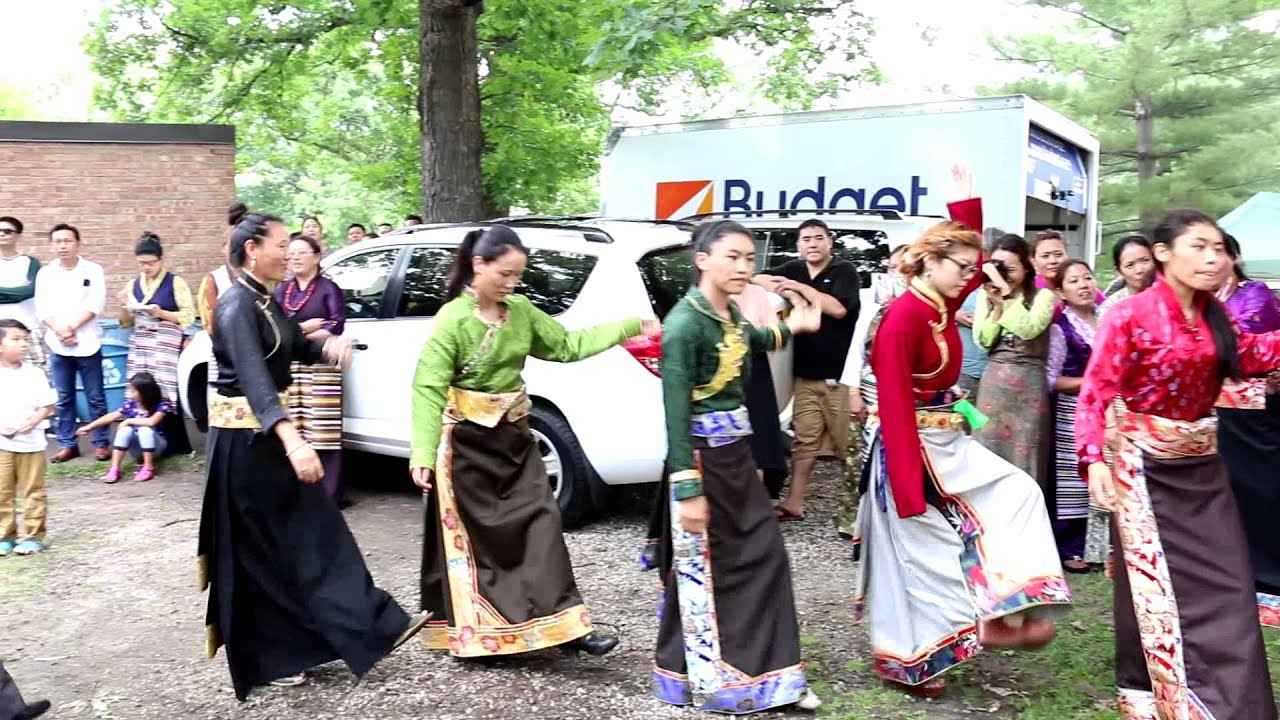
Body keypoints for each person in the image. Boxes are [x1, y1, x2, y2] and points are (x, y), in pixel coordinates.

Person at [197, 205, 428, 701]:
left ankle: (374, 625)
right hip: (246, 446)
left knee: (317, 533)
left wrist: (328, 348)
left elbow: (288, 346)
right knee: (261, 552)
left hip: (269, 439)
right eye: (281, 245)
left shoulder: (265, 299)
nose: (289, 253)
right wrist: (295, 440)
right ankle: (278, 656)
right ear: (252, 250)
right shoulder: (236, 306)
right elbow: (257, 384)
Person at [854, 207, 1070, 699]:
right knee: (922, 555)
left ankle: (1006, 604)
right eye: (962, 268)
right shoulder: (905, 318)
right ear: (930, 261)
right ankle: (916, 660)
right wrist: (908, 490)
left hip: (946, 440)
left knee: (1019, 493)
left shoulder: (940, 302)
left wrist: (965, 210)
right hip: (912, 448)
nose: (971, 278)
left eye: (975, 270)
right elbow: (892, 406)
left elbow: (971, 262)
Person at [410, 225, 651, 659]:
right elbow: (428, 388)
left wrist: (629, 326)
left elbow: (566, 345)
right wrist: (422, 453)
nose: (511, 284)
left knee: (543, 525)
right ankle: (488, 636)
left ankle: (568, 628)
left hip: (516, 443)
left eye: (517, 276)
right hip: (467, 449)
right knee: (482, 547)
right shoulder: (452, 320)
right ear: (478, 266)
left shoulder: (520, 311)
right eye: (504, 274)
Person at [1076, 209, 1280, 718]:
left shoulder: (1215, 312)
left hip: (1204, 468)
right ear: (1163, 253)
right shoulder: (1127, 315)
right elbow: (1094, 393)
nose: (1213, 258)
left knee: (1232, 588)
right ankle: (1158, 696)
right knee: (1151, 585)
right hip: (1145, 468)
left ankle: (1230, 704)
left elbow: (1249, 355)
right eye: (1199, 247)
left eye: (1218, 249)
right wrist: (1094, 460)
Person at [651, 220, 822, 713]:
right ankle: (707, 678)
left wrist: (797, 326)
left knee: (762, 559)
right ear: (702, 259)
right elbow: (675, 411)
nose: (744, 267)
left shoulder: (725, 315)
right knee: (706, 572)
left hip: (737, 458)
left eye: (750, 258)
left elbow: (758, 338)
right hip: (703, 465)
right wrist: (687, 491)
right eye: (732, 256)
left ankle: (770, 677)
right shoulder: (685, 325)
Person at [752, 219, 860, 522]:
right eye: (806, 239)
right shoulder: (793, 268)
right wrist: (789, 290)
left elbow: (839, 308)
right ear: (799, 245)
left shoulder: (844, 271)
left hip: (840, 377)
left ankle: (857, 514)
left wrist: (799, 289)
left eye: (818, 238)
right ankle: (794, 502)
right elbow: (759, 278)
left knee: (848, 446)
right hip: (805, 375)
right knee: (805, 441)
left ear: (830, 241)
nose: (812, 244)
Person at [1212, 233, 1280, 625]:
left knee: (1261, 495)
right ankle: (1233, 578)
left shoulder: (1255, 295)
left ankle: (1267, 582)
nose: (1211, 260)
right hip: (1218, 413)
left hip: (1256, 413)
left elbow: (1241, 348)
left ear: (1235, 258)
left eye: (1219, 252)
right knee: (1226, 492)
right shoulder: (1200, 300)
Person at [972, 234, 1056, 490]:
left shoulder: (1043, 296)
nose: (1002, 275)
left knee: (1026, 453)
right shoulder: (984, 297)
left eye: (1008, 269)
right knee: (986, 448)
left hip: (1029, 387)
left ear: (1026, 267)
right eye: (997, 268)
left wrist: (1006, 295)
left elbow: (1029, 329)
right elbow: (983, 340)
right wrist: (996, 307)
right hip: (993, 384)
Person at [274, 234, 348, 506]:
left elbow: (337, 324)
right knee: (297, 423)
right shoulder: (283, 290)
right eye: (291, 252)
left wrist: (314, 333)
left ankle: (330, 492)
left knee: (324, 427)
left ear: (317, 256)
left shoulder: (328, 288)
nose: (294, 257)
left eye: (302, 252)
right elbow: (280, 326)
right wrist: (305, 329)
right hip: (292, 365)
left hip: (322, 366)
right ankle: (300, 486)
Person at [1045, 260, 1102, 573]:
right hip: (1072, 410)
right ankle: (1068, 546)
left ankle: (1100, 545)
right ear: (1061, 292)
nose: (1084, 285)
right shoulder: (1060, 328)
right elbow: (1051, 379)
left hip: (1108, 409)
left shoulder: (1107, 319)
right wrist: (1093, 381)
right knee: (1073, 480)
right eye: (1074, 281)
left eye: (1088, 278)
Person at [35, 224, 109, 463]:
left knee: (95, 395)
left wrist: (71, 328)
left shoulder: (93, 270)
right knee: (63, 396)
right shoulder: (46, 273)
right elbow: (42, 308)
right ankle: (68, 444)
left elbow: (95, 305)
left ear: (78, 243)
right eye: (57, 241)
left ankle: (101, 442)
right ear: (51, 245)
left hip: (87, 341)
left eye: (67, 241)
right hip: (57, 344)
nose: (62, 246)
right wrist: (61, 331)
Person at [117, 232, 193, 457]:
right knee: (143, 386)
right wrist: (123, 306)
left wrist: (161, 313)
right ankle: (143, 442)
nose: (146, 268)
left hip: (165, 340)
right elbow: (125, 322)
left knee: (166, 387)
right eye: (142, 263)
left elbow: (188, 315)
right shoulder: (133, 284)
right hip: (141, 340)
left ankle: (175, 443)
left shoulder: (174, 282)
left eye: (150, 263)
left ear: (161, 260)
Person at [0, 320, 55, 557]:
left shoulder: (35, 374)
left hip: (31, 444)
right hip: (2, 444)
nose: (23, 344)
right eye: (15, 339)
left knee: (33, 490)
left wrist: (31, 422)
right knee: (3, 491)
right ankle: (5, 536)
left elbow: (48, 407)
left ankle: (33, 536)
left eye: (25, 339)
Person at [733, 281, 789, 498]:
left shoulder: (755, 292)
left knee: (756, 436)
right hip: (753, 364)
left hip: (752, 366)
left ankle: (755, 502)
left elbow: (773, 336)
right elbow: (774, 337)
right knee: (756, 435)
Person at [77, 372, 171, 484]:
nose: (131, 394)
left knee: (144, 429)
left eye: (134, 391)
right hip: (137, 448)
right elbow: (111, 416)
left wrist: (128, 420)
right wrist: (89, 427)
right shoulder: (131, 404)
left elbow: (151, 422)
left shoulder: (162, 405)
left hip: (156, 445)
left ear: (145, 392)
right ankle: (114, 469)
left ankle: (148, 467)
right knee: (124, 430)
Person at [954, 227, 1003, 395]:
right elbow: (938, 311)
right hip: (964, 369)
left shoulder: (1007, 286)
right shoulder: (963, 280)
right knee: (962, 417)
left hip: (995, 371)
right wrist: (956, 315)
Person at [0, 217, 44, 372]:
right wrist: (15, 290)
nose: (2, 234)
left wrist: (15, 293)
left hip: (27, 327)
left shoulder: (30, 262)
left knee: (36, 373)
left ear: (18, 235)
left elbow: (27, 292)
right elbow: (19, 292)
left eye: (7, 231)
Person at [1098, 234, 1155, 319]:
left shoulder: (1175, 293)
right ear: (1119, 271)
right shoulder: (1111, 309)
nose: (1139, 270)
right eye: (1130, 265)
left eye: (1145, 261)